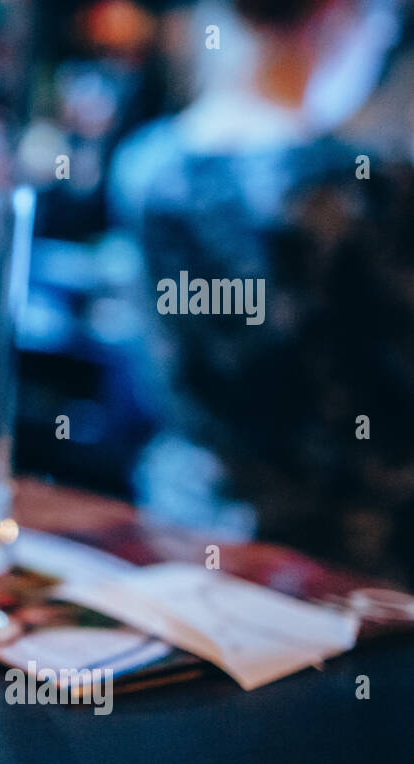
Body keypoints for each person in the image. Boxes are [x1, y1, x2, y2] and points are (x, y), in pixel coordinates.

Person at [110, 0, 414, 584]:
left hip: (182, 525)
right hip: (343, 557)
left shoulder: (143, 167)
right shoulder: (362, 187)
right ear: (333, 18)